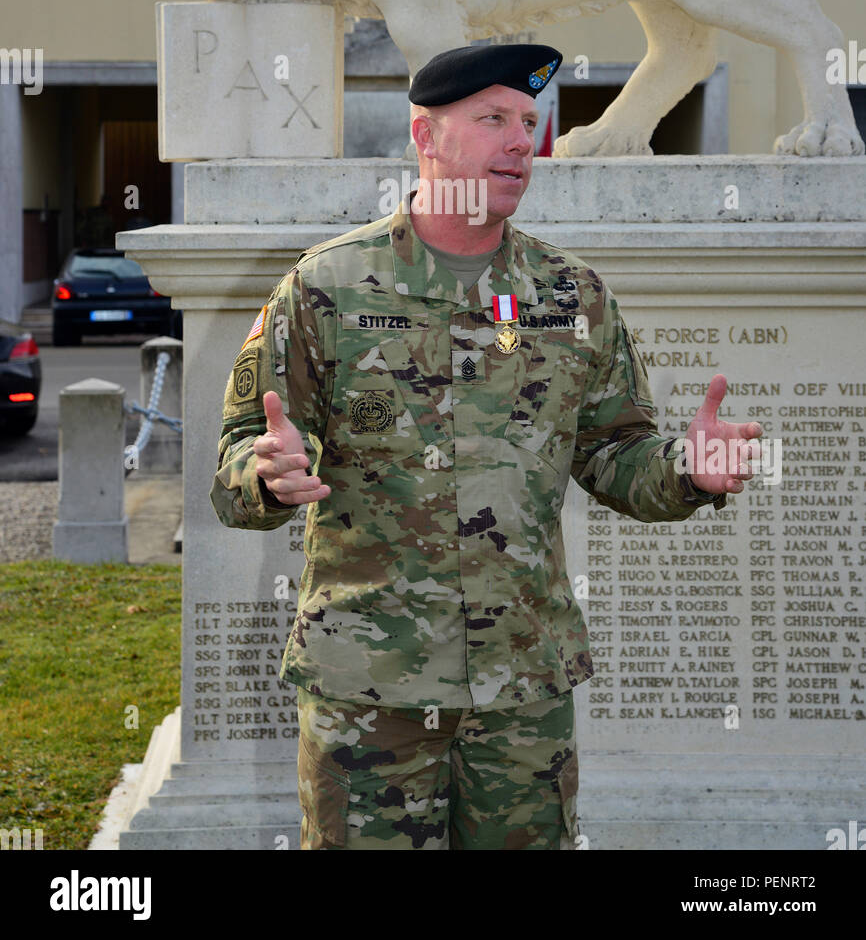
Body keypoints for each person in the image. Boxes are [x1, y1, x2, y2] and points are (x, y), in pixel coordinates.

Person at [211, 42, 763, 851]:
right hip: (371, 691)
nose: (521, 142)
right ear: (426, 137)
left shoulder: (572, 295)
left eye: (531, 123)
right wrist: (262, 476)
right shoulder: (325, 288)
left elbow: (617, 455)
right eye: (493, 119)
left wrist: (686, 468)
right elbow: (235, 463)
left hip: (523, 693)